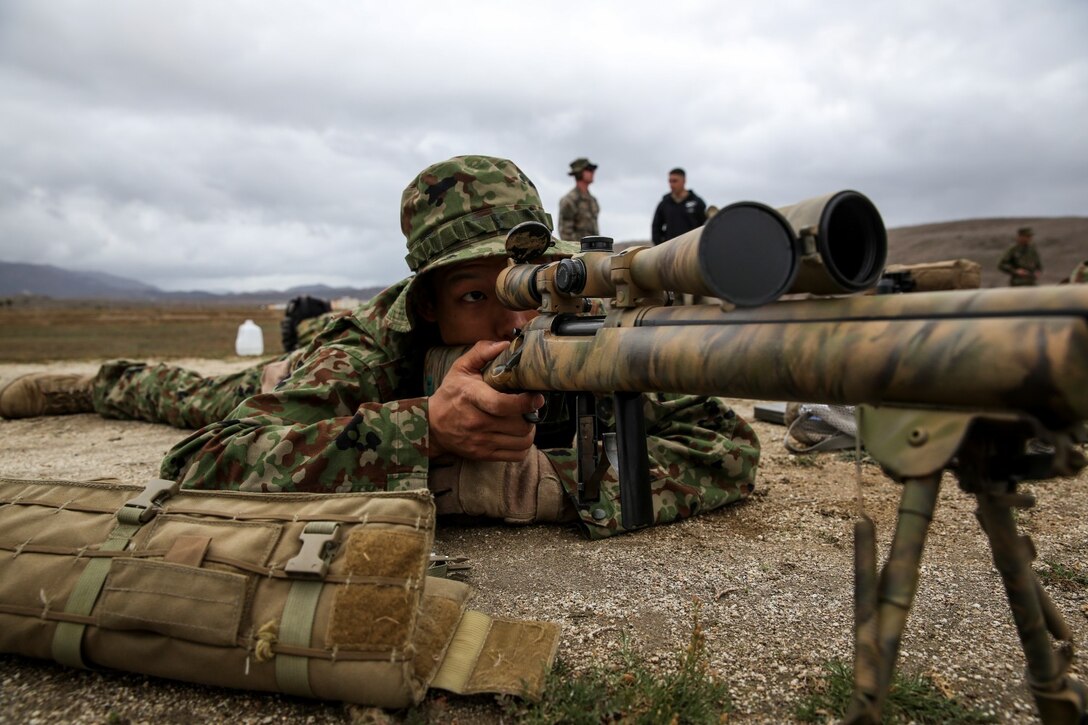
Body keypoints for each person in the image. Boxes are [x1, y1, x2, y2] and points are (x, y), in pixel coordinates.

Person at [1, 155, 761, 539]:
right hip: (327, 380)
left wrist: (551, 484)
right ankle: (87, 382)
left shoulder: (570, 336)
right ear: (426, 304)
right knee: (198, 395)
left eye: (526, 288)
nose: (511, 320)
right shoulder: (368, 348)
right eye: (476, 296)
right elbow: (205, 460)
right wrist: (422, 432)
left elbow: (726, 445)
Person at [651, 168, 708, 245]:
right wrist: (660, 247)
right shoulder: (664, 204)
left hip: (692, 248)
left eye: (675, 181)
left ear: (684, 181)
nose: (671, 185)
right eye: (670, 181)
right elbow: (656, 227)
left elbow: (705, 226)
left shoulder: (697, 202)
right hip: (670, 250)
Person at [557, 157, 599, 241]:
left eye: (592, 170)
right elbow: (565, 234)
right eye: (588, 169)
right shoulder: (569, 200)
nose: (593, 172)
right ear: (579, 173)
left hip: (593, 250)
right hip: (577, 251)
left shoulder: (592, 200)